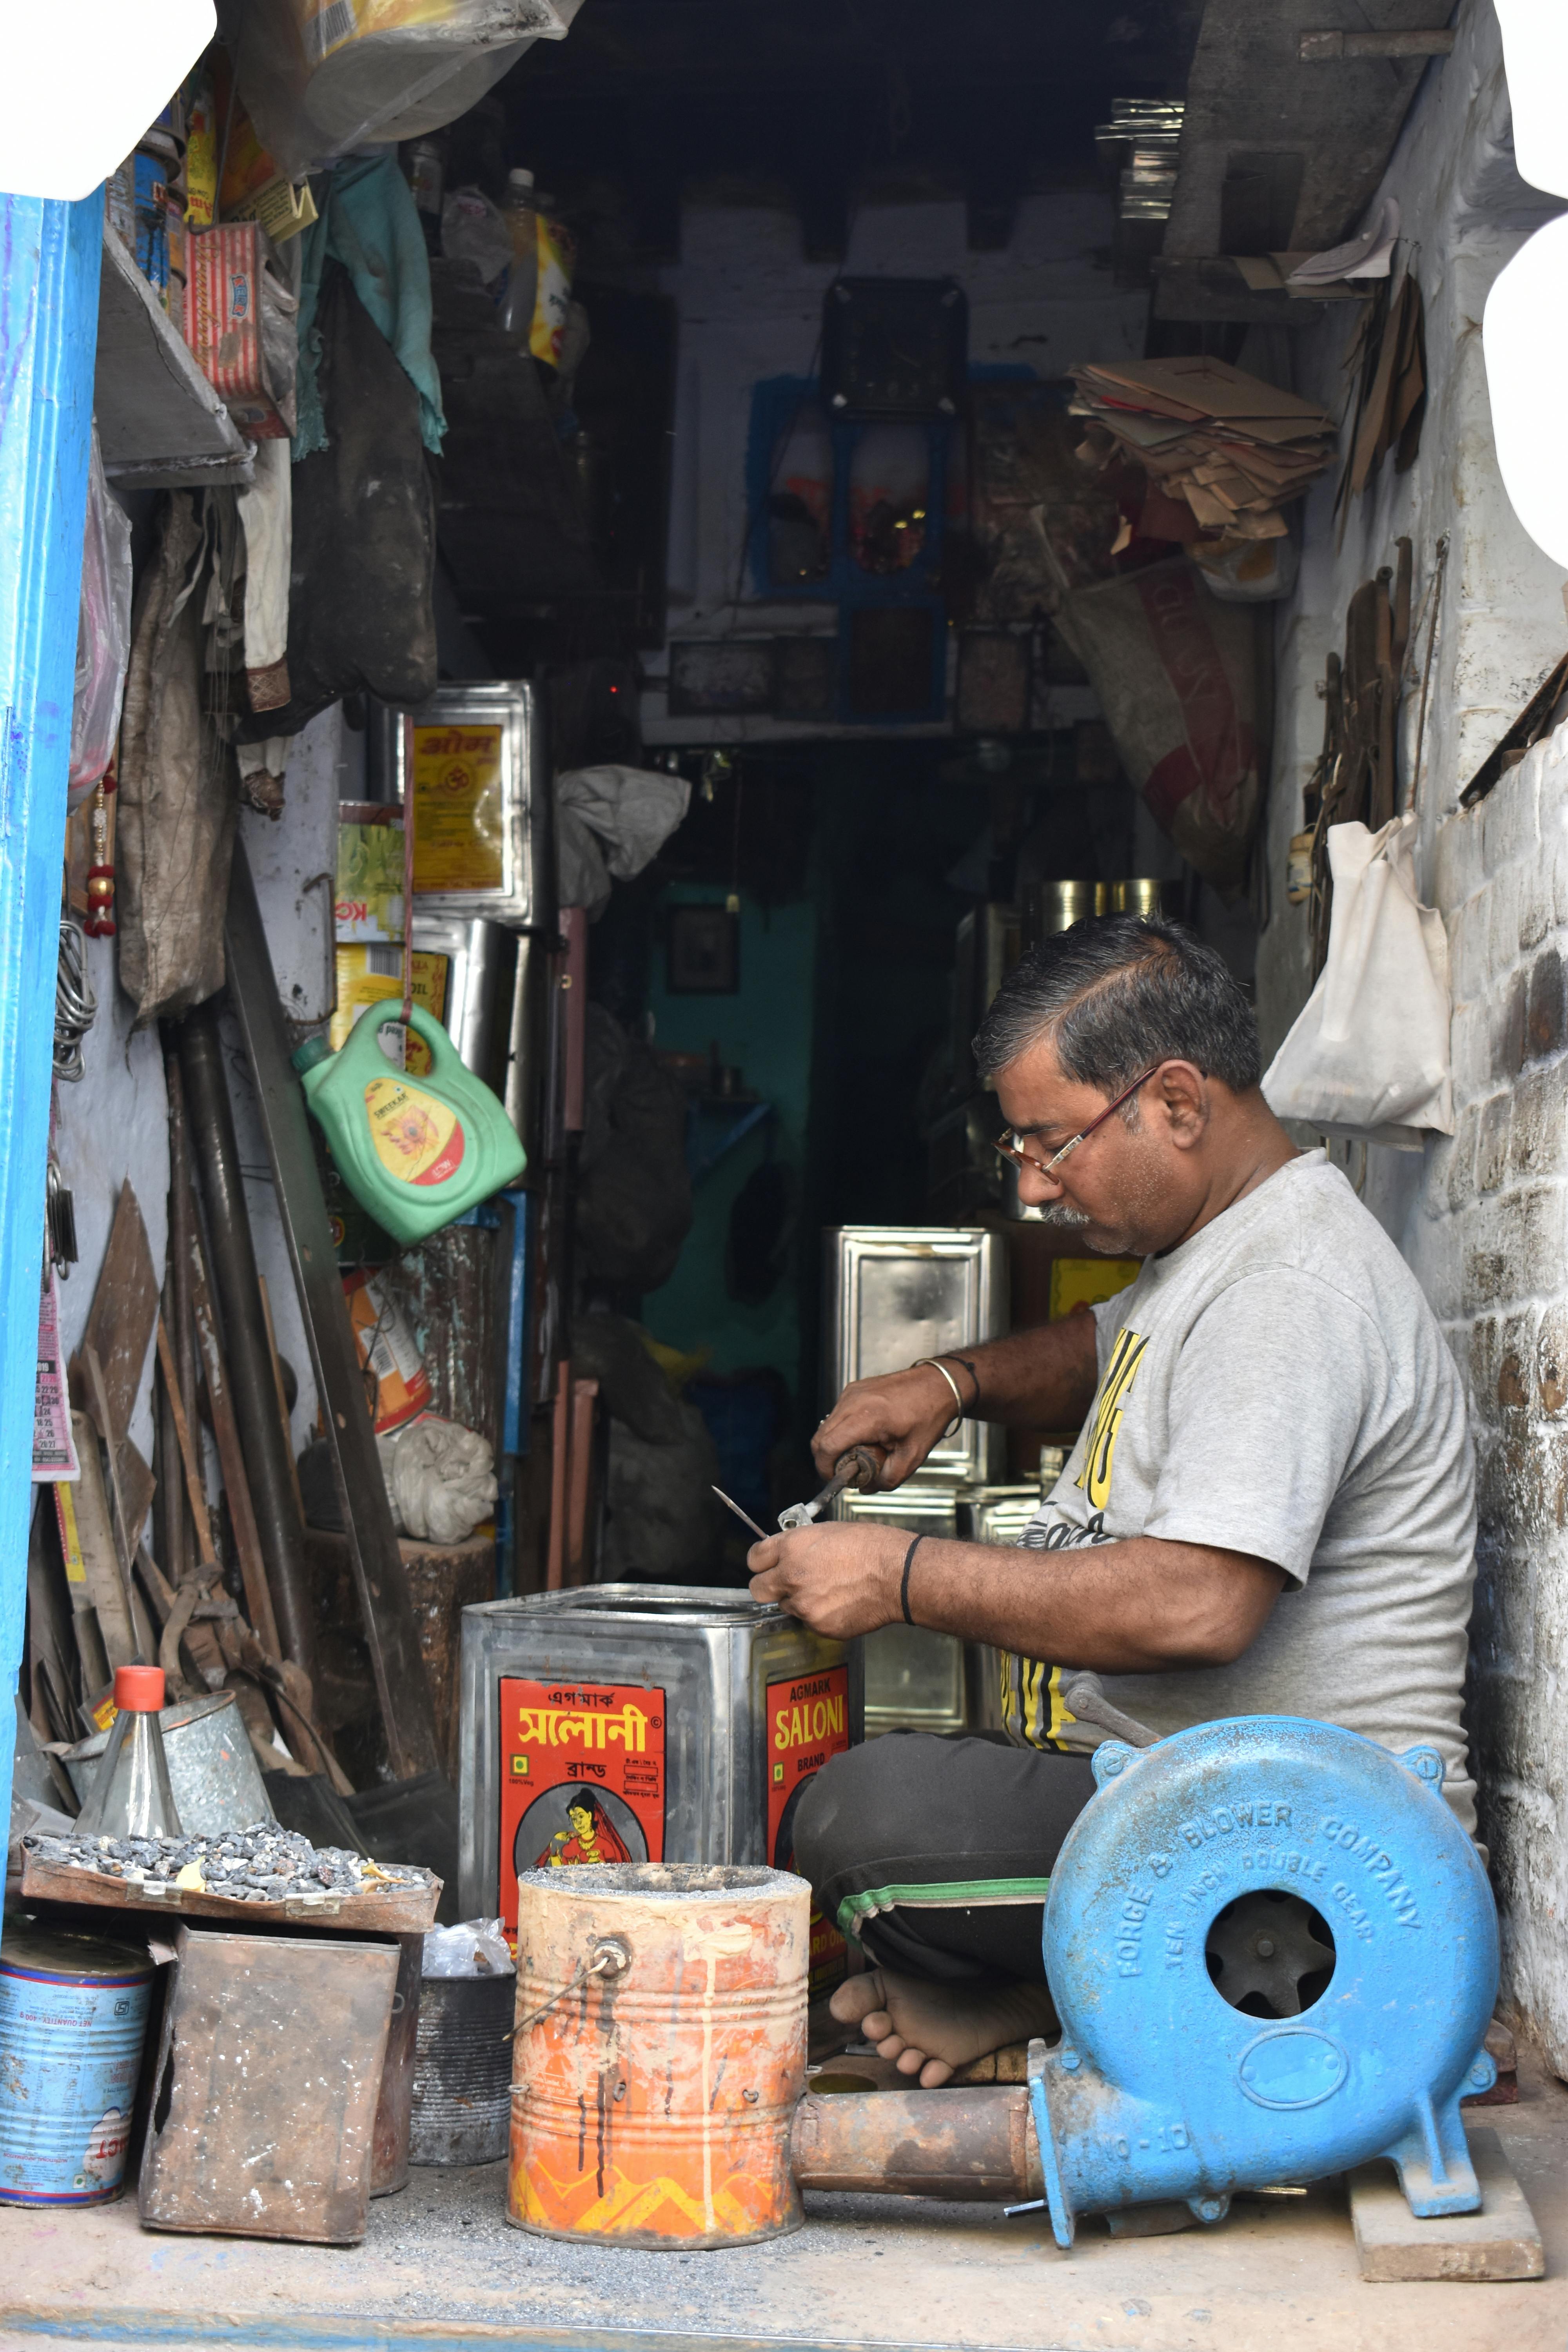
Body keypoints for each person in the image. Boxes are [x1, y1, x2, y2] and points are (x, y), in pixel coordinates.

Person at [746, 914, 1475, 2087]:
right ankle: (1054, 1988)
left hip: (1309, 1852)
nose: (1032, 1186)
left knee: (860, 1819)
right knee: (893, 1789)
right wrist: (952, 1381)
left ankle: (1058, 1991)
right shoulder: (1225, 1247)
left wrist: (899, 1575)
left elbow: (1199, 1604)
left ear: (1176, 1102)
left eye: (1050, 1142)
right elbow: (1108, 1341)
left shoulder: (1287, 1292)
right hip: (1200, 1795)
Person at [536, 1790, 632, 1868]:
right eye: (574, 1818)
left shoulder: (606, 1846)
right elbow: (559, 1877)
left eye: (581, 1816)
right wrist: (554, 1848)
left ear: (590, 1816)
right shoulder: (570, 1845)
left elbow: (614, 1877)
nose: (578, 1822)